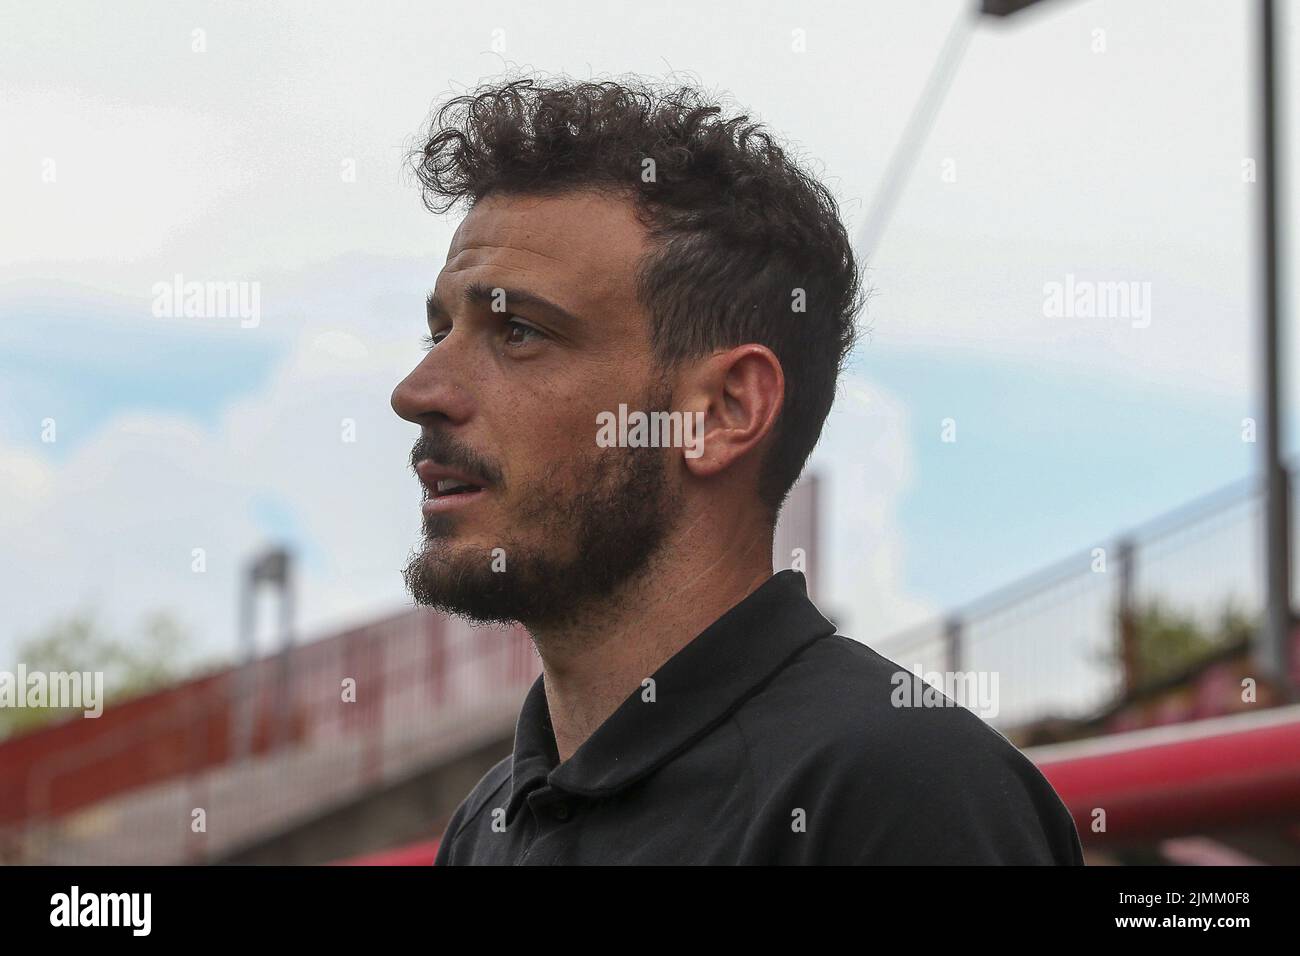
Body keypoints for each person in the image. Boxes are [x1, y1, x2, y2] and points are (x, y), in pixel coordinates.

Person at [391, 76, 1084, 865]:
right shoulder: (485, 827)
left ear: (723, 411)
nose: (417, 392)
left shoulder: (901, 793)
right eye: (439, 333)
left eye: (518, 330)